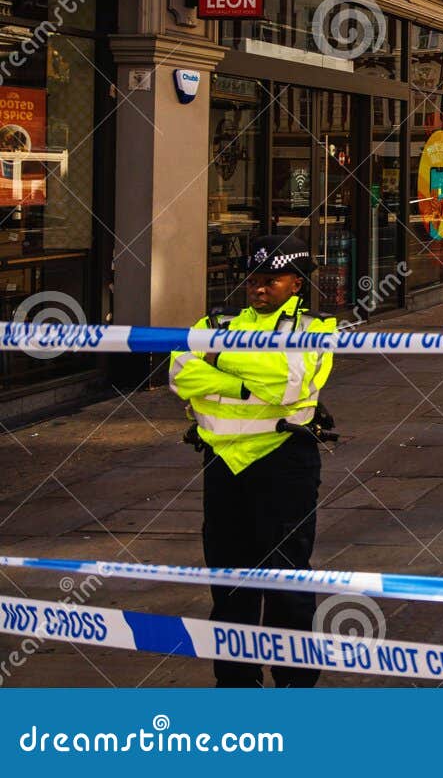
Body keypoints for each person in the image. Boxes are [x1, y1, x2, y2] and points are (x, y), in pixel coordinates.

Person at [169, 234, 338, 688]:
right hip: (223, 466)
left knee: (287, 582)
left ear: (297, 283)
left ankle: (294, 685)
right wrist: (247, 383)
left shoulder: (318, 328)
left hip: (282, 463)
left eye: (271, 280)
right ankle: (236, 686)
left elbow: (290, 384)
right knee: (229, 586)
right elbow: (179, 371)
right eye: (253, 280)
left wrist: (219, 360)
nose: (258, 289)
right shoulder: (218, 319)